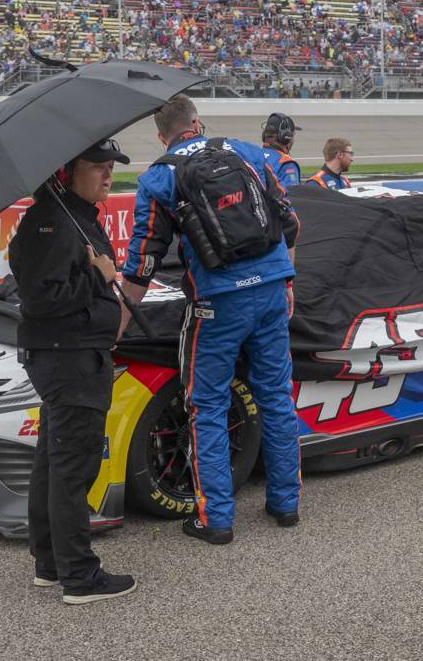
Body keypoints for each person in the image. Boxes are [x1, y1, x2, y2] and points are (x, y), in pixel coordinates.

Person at [120, 95, 302, 545]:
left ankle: (215, 519)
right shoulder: (248, 151)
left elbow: (142, 264)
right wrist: (287, 281)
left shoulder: (158, 175)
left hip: (218, 303)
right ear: (198, 124)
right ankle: (286, 503)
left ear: (161, 136)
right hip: (272, 288)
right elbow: (290, 222)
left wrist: (116, 327)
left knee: (207, 405)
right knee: (276, 396)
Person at [7, 138, 137, 605]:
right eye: (98, 166)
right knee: (72, 467)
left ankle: (50, 563)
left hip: (74, 354)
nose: (108, 174)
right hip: (69, 359)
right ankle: (80, 576)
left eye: (111, 166)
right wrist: (98, 276)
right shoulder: (52, 222)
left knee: (54, 462)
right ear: (67, 172)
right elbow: (42, 299)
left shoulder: (71, 216)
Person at [260, 112, 302, 186]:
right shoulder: (286, 164)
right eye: (293, 134)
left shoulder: (253, 157)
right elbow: (291, 192)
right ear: (286, 137)